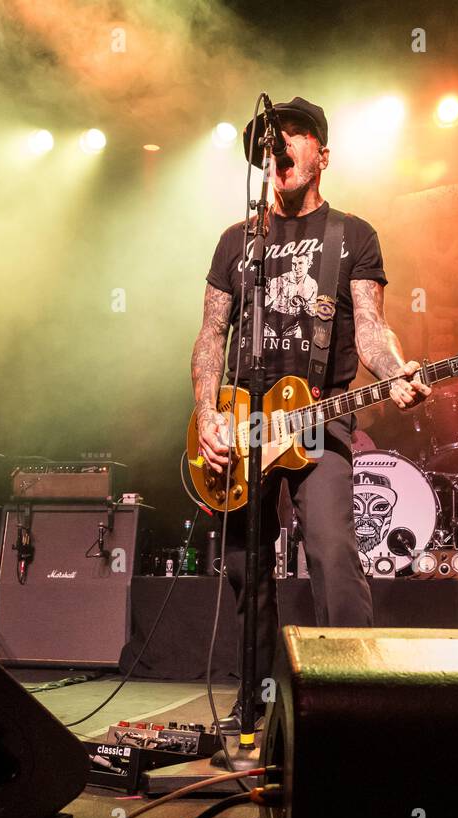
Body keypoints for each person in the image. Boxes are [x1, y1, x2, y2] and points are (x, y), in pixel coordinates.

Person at [191, 96, 430, 729]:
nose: (282, 144)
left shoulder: (352, 235)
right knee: (247, 564)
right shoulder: (235, 242)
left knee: (329, 550)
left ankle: (350, 694)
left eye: (295, 134)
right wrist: (208, 415)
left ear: (321, 155)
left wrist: (394, 371)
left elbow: (373, 329)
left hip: (321, 418)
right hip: (243, 426)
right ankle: (257, 699)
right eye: (274, 136)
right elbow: (211, 335)